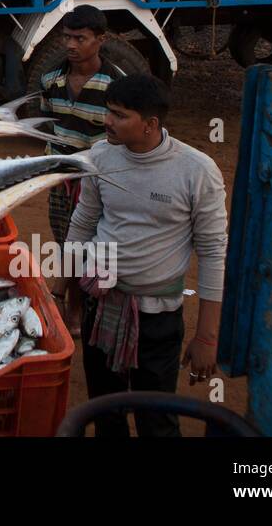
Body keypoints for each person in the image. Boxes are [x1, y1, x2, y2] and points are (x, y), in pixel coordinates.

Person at [65, 75, 229, 437]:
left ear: (151, 124)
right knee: (106, 414)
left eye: (119, 115)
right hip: (101, 305)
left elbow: (213, 253)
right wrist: (66, 289)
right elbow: (83, 223)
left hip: (158, 319)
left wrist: (206, 337)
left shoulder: (197, 171)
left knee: (156, 419)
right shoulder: (99, 157)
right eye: (108, 111)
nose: (107, 121)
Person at [38, 4, 129, 336]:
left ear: (100, 39)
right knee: (67, 242)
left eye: (80, 38)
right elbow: (49, 124)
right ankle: (73, 308)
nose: (71, 45)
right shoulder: (51, 79)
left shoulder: (116, 85)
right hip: (61, 178)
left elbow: (123, 139)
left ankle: (77, 308)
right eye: (67, 37)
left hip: (98, 180)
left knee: (92, 244)